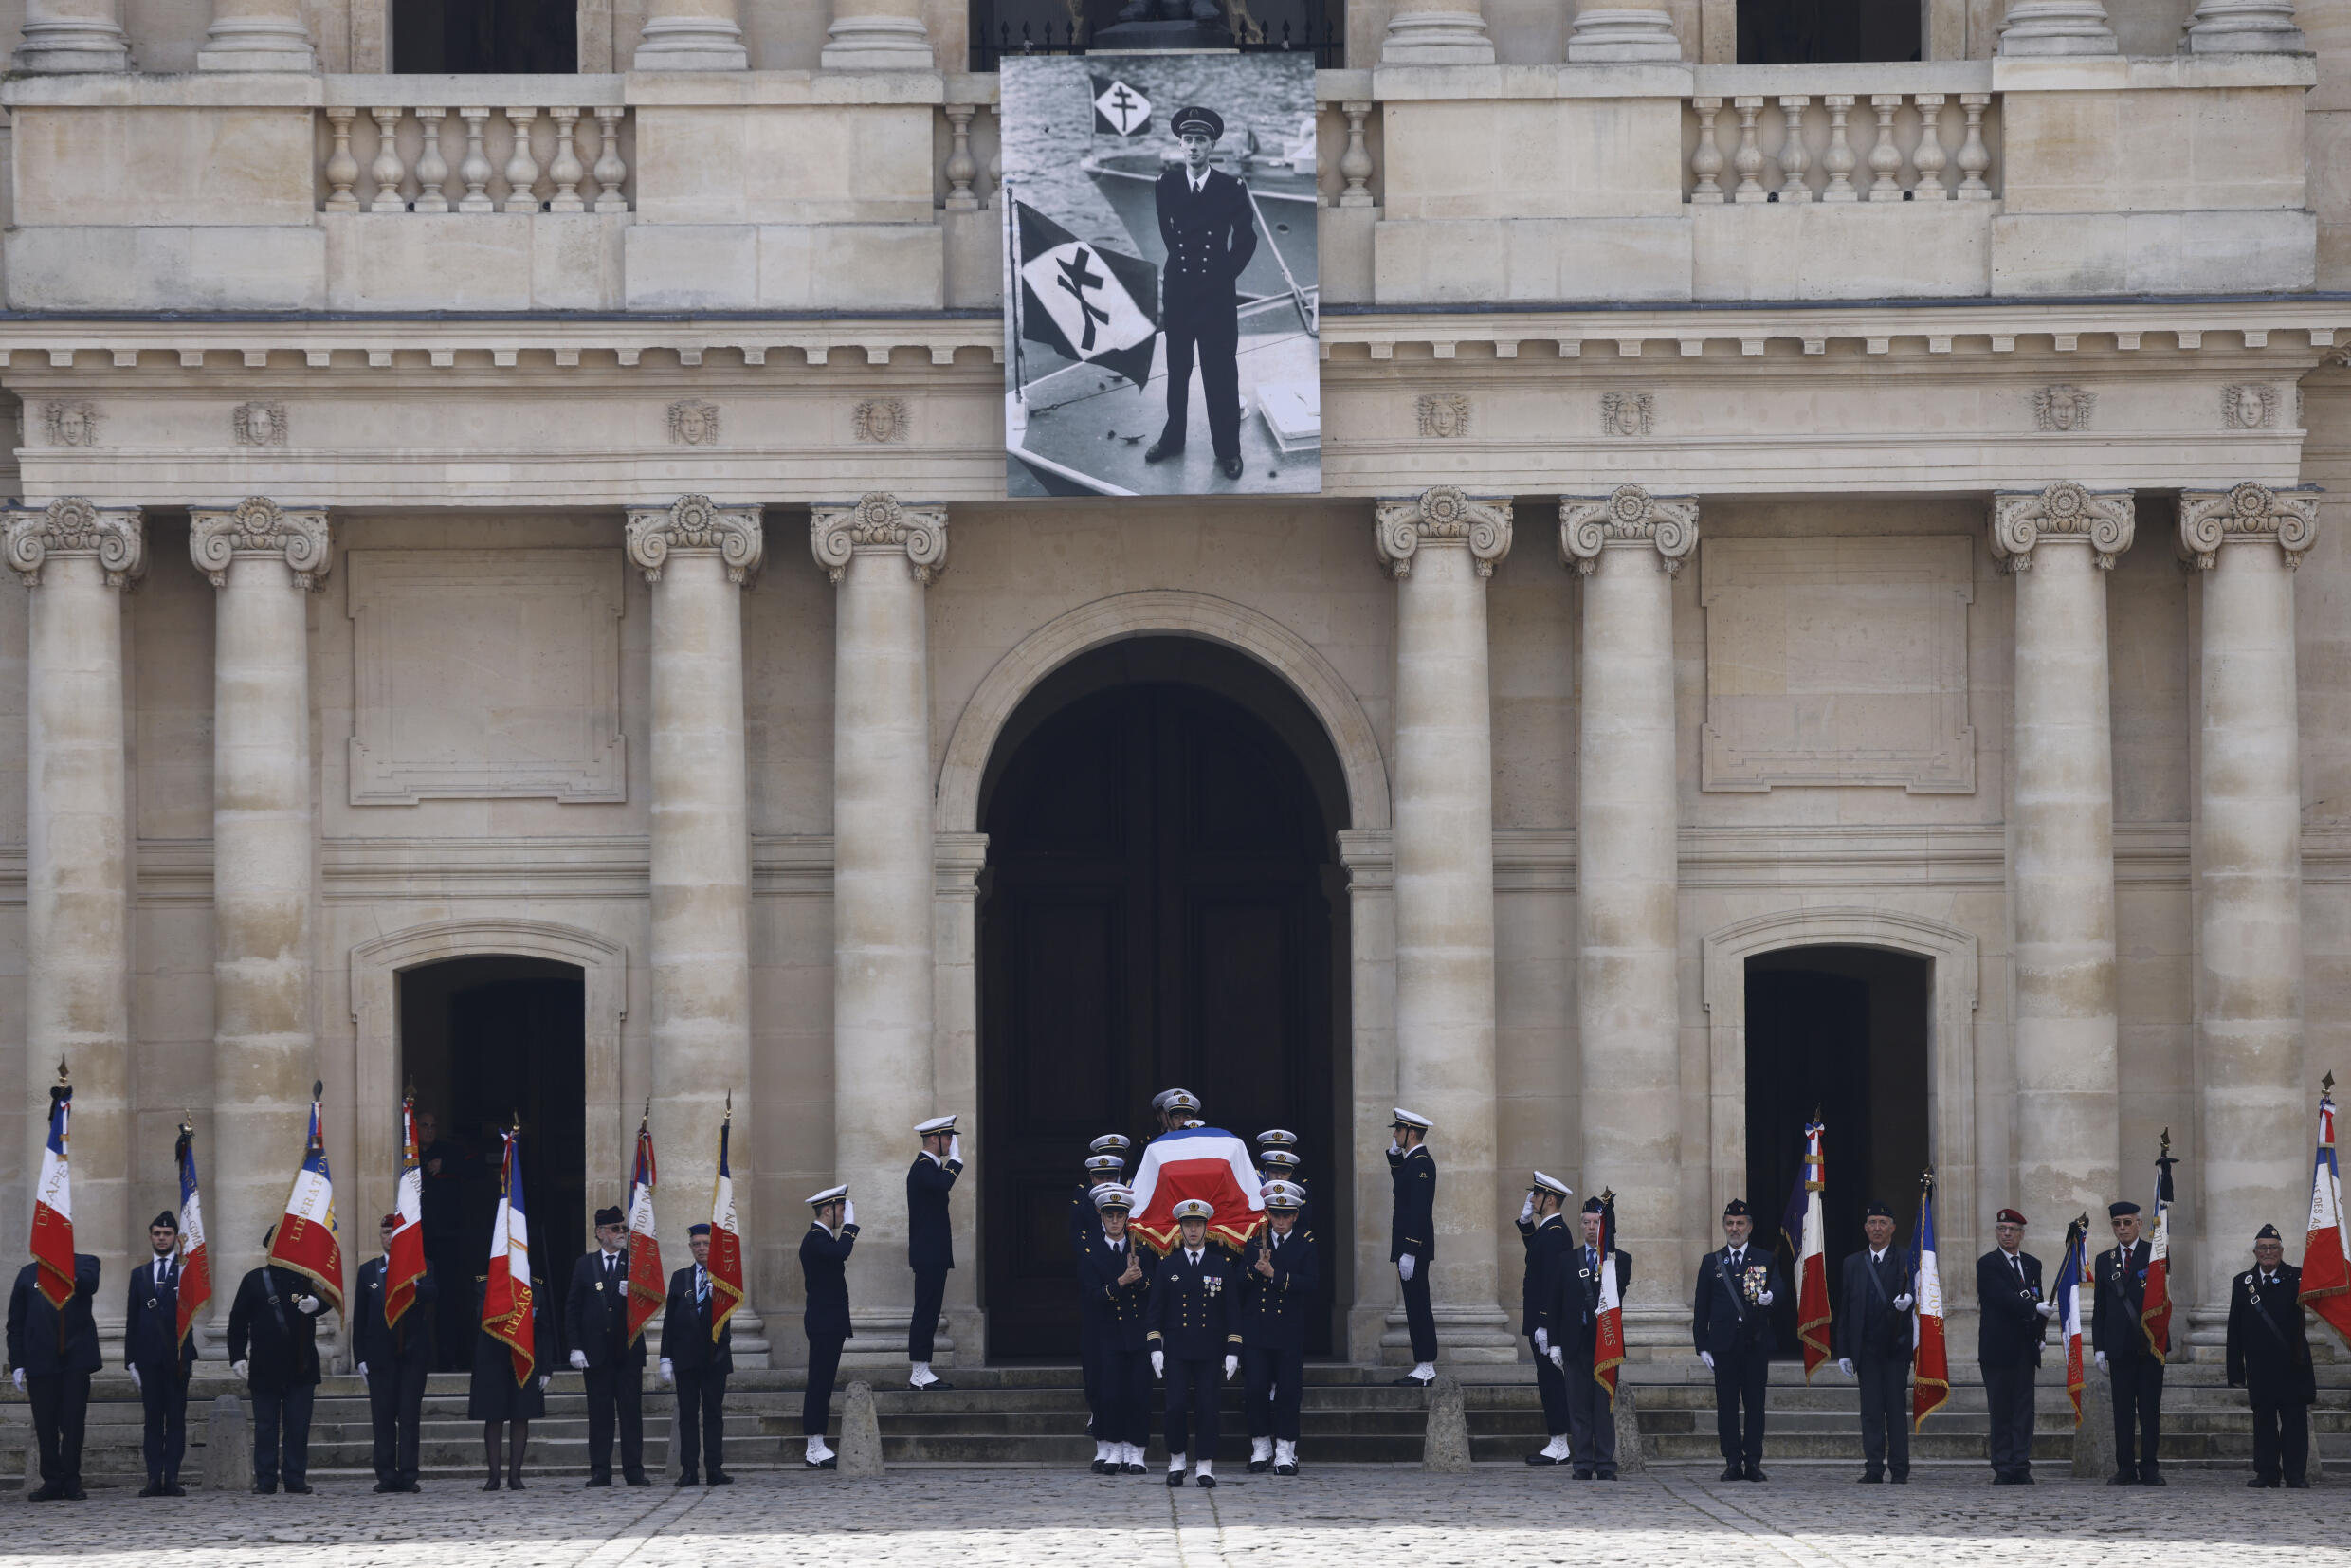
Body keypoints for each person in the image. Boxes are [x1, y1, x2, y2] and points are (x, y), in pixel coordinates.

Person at [1145, 105, 1259, 483]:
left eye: (1200, 140)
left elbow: (1246, 240)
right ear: (1180, 145)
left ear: (1212, 146)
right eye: (1188, 139)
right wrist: (1185, 267)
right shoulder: (1165, 185)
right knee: (1177, 369)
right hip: (1179, 291)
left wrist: (1222, 275)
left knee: (1220, 371)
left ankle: (1228, 450)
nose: (1193, 146)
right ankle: (1172, 438)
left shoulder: (1231, 188)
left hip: (1217, 296)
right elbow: (1169, 234)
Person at [1147, 1198, 1242, 1487]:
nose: (1193, 1230)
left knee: (1207, 1407)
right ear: (1180, 1228)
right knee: (1175, 1406)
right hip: (1176, 1348)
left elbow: (1232, 1312)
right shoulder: (1168, 1266)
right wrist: (1155, 1347)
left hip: (1210, 1349)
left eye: (1198, 1225)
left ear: (1206, 1228)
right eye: (1188, 1225)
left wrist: (1233, 1350)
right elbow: (1155, 1312)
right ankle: (1176, 1460)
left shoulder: (1221, 1266)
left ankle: (1204, 1465)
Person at [227, 1228, 326, 1494]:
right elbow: (238, 1321)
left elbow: (331, 1296)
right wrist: (237, 1357)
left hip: (301, 1363)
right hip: (265, 1364)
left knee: (298, 1426)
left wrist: (317, 1304)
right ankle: (266, 1478)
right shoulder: (254, 1280)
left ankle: (295, 1477)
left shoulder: (307, 1279)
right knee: (266, 1426)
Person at [1692, 1197, 1781, 1482]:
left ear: (1750, 1227)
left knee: (1755, 1405)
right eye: (1730, 1223)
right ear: (1724, 1226)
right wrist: (1702, 1346)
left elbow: (1780, 1290)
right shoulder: (1712, 1262)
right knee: (1727, 1406)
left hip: (1755, 1343)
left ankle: (1753, 1460)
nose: (1735, 1228)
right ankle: (1732, 1460)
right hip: (1723, 1345)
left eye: (1740, 1223)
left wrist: (1771, 1296)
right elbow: (1701, 1307)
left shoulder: (1764, 1259)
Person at [564, 1204, 648, 1487]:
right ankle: (600, 1470)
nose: (621, 1233)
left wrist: (635, 1293)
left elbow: (651, 1303)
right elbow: (573, 1308)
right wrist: (575, 1346)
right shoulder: (585, 1265)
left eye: (623, 1228)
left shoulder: (635, 1263)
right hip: (596, 1353)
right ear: (600, 1233)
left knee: (631, 1413)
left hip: (627, 1351)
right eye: (615, 1228)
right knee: (599, 1414)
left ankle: (634, 1470)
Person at [2226, 1223, 2315, 1488]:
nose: (2268, 1252)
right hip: (2259, 1366)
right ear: (2255, 1252)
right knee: (2263, 1421)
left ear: (2281, 1251)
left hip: (2292, 1364)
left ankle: (2295, 1475)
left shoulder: (2297, 1278)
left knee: (2294, 1422)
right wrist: (2235, 1371)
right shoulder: (2242, 1282)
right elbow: (2234, 1329)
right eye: (2263, 1248)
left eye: (2273, 1248)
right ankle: (2267, 1473)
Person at [354, 1212, 438, 1493]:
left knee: (409, 1417)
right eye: (385, 1233)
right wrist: (360, 1357)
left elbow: (433, 1294)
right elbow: (361, 1316)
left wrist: (413, 1283)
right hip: (380, 1356)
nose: (390, 1237)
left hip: (413, 1354)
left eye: (394, 1232)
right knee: (383, 1417)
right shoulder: (369, 1270)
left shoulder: (422, 1266)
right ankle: (386, 1475)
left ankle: (409, 1475)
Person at [8, 1247, 100, 1501]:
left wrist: (67, 1274)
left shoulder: (86, 1263)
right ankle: (51, 1480)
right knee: (45, 1424)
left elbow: (89, 1285)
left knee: (73, 1423)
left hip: (75, 1359)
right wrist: (17, 1362)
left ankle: (71, 1480)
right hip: (40, 1360)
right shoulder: (28, 1274)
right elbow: (16, 1322)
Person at [1832, 1202, 1915, 1485]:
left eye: (1882, 1223)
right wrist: (1844, 1351)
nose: (1877, 1228)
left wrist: (1910, 1299)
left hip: (1895, 1346)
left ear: (1892, 1227)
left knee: (1895, 1410)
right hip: (1865, 1348)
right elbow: (1847, 1308)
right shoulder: (1852, 1263)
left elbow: (1921, 1291)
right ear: (1865, 1227)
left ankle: (1900, 1469)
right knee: (1870, 1411)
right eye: (1872, 1223)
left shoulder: (1906, 1258)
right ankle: (1874, 1467)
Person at [1241, 1181, 1319, 1476]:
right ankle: (1261, 1446)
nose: (1281, 1221)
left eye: (1287, 1215)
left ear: (1295, 1216)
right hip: (1257, 1331)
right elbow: (1237, 1282)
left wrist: (1275, 1274)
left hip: (1288, 1330)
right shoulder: (1254, 1244)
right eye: (1276, 1215)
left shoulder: (1305, 1243)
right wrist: (1255, 1269)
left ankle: (1286, 1450)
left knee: (1288, 1392)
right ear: (1268, 1215)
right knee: (1255, 1389)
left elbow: (1311, 1283)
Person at [1974, 1207, 2052, 1485]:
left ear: (2021, 1234)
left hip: (2024, 1348)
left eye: (2012, 1230)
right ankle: (2003, 1466)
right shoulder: (1988, 1264)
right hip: (1997, 1348)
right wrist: (2034, 1307)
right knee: (2001, 1410)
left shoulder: (2032, 1264)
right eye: (2002, 1229)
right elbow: (2002, 1297)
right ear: (1997, 1233)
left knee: (2023, 1411)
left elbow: (2036, 1297)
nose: (2006, 1234)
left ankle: (2021, 1464)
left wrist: (2040, 1333)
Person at [1081, 1183, 1154, 1476]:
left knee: (1138, 1394)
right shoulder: (1091, 1250)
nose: (1114, 1221)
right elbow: (1093, 1295)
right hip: (1107, 1334)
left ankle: (1136, 1451)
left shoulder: (1141, 1248)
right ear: (1101, 1217)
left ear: (1126, 1218)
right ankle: (1113, 1448)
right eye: (1109, 1215)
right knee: (1110, 1394)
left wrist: (1139, 1278)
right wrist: (1122, 1281)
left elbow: (1154, 1291)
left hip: (1137, 1333)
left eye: (1119, 1216)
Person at [2093, 1199, 2165, 1486]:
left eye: (2127, 1222)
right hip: (2119, 1346)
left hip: (2150, 1344)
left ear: (2139, 1224)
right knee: (2122, 1411)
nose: (2122, 1228)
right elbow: (2100, 1308)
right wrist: (2099, 1347)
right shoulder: (2104, 1260)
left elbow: (2163, 1299)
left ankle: (2149, 1467)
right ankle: (2124, 1467)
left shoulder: (2155, 1254)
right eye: (2116, 1223)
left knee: (2149, 1411)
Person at [124, 1211, 194, 1498]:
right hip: (148, 1359)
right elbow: (132, 1319)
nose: (162, 1238)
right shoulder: (139, 1275)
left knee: (176, 1420)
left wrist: (187, 1355)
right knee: (153, 1421)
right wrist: (130, 1360)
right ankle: (154, 1478)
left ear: (176, 1237)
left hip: (177, 1358)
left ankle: (172, 1477)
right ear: (150, 1237)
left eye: (167, 1234)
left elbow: (192, 1315)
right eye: (157, 1234)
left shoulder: (187, 1272)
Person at [1561, 1194, 1632, 1480]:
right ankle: (1582, 1463)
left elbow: (1617, 1289)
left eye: (1597, 1223)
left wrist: (1608, 1250)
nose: (1592, 1228)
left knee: (1604, 1407)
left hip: (1606, 1342)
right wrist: (1554, 1342)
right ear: (1581, 1225)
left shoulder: (1619, 1261)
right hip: (1575, 1343)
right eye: (1587, 1223)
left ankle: (1605, 1463)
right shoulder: (1567, 1260)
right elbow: (1557, 1302)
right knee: (1578, 1406)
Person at [467, 1263, 556, 1491]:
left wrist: (546, 1368)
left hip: (524, 1358)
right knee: (493, 1417)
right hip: (492, 1361)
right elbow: (480, 1316)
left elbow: (544, 1330)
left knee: (521, 1416)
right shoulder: (485, 1285)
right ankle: (494, 1477)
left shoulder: (535, 1287)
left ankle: (515, 1476)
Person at [661, 1223, 734, 1486]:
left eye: (706, 1244)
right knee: (688, 1415)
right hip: (686, 1356)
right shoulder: (680, 1277)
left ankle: (714, 1468)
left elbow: (728, 1319)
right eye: (696, 1244)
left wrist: (717, 1298)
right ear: (690, 1247)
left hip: (715, 1357)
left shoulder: (725, 1277)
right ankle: (689, 1469)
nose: (701, 1248)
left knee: (714, 1414)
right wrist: (665, 1357)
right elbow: (670, 1320)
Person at [1514, 1173, 1575, 1467]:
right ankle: (1557, 1441)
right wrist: (1526, 1223)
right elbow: (1535, 1252)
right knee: (1546, 1378)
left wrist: (1543, 1323)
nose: (1532, 1199)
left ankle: (1560, 1443)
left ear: (1550, 1200)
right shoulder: (1549, 1230)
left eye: (1536, 1196)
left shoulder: (1556, 1233)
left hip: (1545, 1322)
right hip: (1541, 1319)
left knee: (1551, 1381)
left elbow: (1552, 1282)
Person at [798, 1185, 859, 1468]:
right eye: (841, 1210)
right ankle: (814, 1447)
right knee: (819, 1383)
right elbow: (841, 1253)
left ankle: (816, 1444)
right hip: (824, 1321)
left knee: (823, 1382)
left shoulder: (823, 1238)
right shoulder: (816, 1239)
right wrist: (851, 1229)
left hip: (829, 1321)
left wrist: (847, 1228)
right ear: (827, 1210)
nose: (844, 1215)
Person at [415, 1109, 480, 1371]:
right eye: (424, 1125)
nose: (429, 1130)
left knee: (448, 1300)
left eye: (433, 1126)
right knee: (416, 1299)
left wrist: (446, 1166)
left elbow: (478, 1167)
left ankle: (447, 1360)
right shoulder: (407, 1151)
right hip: (417, 1240)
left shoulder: (449, 1152)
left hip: (447, 1239)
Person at [1074, 1144, 1127, 1468]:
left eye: (1111, 1177)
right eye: (1099, 1177)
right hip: (1098, 1312)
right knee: (1098, 1381)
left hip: (1126, 1318)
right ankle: (1103, 1445)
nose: (1105, 1182)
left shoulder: (1130, 1235)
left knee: (1124, 1387)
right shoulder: (1085, 1215)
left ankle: (1124, 1448)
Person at [907, 1113, 963, 1392]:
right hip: (928, 1253)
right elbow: (943, 1184)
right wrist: (955, 1163)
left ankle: (922, 1369)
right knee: (926, 1311)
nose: (951, 1143)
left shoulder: (930, 1167)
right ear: (933, 1139)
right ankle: (919, 1372)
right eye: (948, 1137)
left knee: (929, 1309)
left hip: (934, 1253)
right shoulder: (923, 1168)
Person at [1387, 1108, 1438, 1387]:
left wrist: (1410, 1249)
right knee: (1413, 1303)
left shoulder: (1421, 1164)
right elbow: (1401, 1185)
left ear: (1412, 1133)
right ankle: (1423, 1363)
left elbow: (1419, 1209)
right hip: (1409, 1247)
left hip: (1413, 1248)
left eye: (1398, 1130)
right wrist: (1394, 1155)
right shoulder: (1413, 1162)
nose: (1395, 1134)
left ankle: (1426, 1365)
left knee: (1418, 1305)